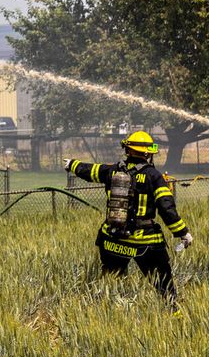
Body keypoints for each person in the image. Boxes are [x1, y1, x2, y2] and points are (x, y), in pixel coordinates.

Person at [64, 130, 193, 311]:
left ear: (127, 150)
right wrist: (183, 233)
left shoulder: (112, 170)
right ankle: (174, 314)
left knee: (112, 285)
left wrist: (72, 164)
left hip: (111, 239)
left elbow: (90, 170)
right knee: (163, 282)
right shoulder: (154, 176)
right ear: (148, 153)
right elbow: (166, 209)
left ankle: (107, 314)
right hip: (145, 242)